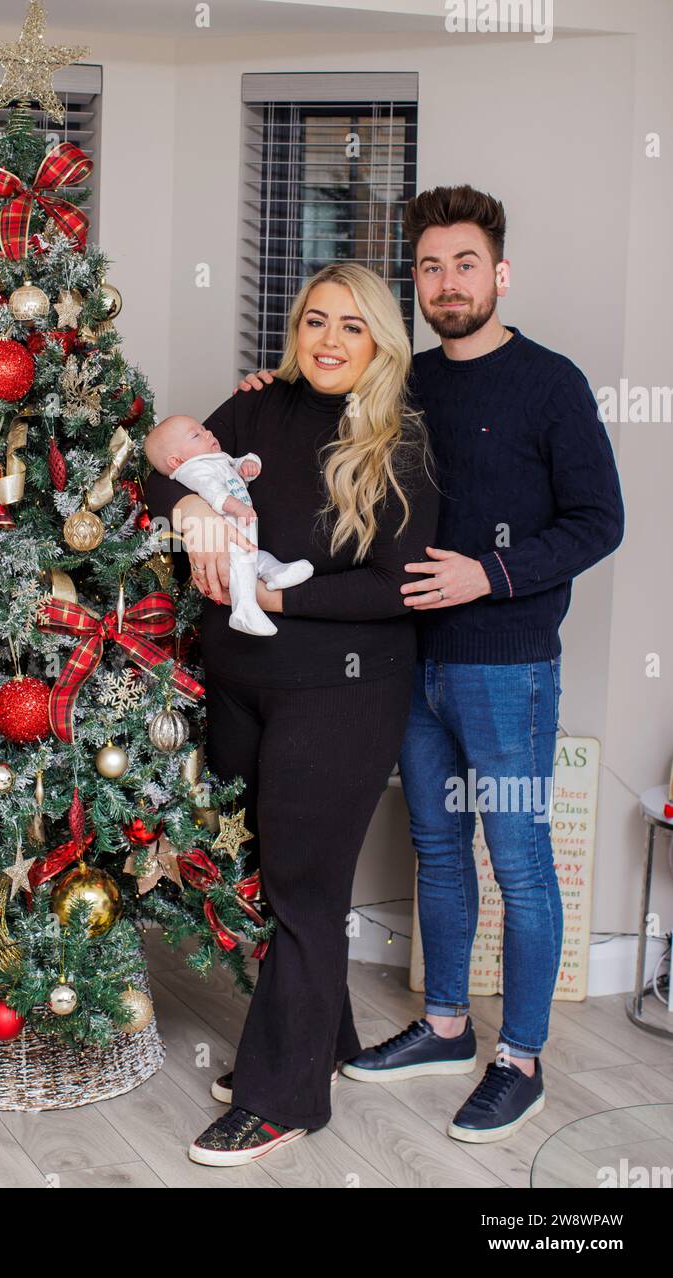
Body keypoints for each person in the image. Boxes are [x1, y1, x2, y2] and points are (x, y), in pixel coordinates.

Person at [234, 185, 625, 1144]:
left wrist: (487, 575)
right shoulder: (402, 383)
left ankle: (520, 1059)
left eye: (464, 264)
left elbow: (598, 522)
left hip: (504, 665)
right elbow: (326, 408)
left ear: (499, 274)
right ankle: (445, 1026)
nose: (446, 283)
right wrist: (263, 396)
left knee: (520, 865)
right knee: (437, 853)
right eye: (429, 267)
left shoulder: (550, 382)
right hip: (406, 662)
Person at [144, 262, 439, 1165]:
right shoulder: (258, 408)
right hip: (238, 685)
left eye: (352, 326)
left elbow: (396, 588)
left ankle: (283, 1096)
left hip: (342, 690)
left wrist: (279, 605)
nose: (328, 340)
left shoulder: (401, 442)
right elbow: (164, 466)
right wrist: (191, 503)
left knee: (303, 890)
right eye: (315, 320)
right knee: (264, 868)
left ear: (381, 342)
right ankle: (327, 1037)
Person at [144, 415, 313, 636]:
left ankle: (276, 574)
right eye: (197, 435)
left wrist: (248, 465)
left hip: (243, 530)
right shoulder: (193, 470)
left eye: (204, 429)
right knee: (241, 569)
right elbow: (214, 492)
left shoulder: (215, 459)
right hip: (225, 538)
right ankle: (244, 609)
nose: (209, 433)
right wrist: (236, 507)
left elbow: (236, 465)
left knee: (256, 558)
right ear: (176, 462)